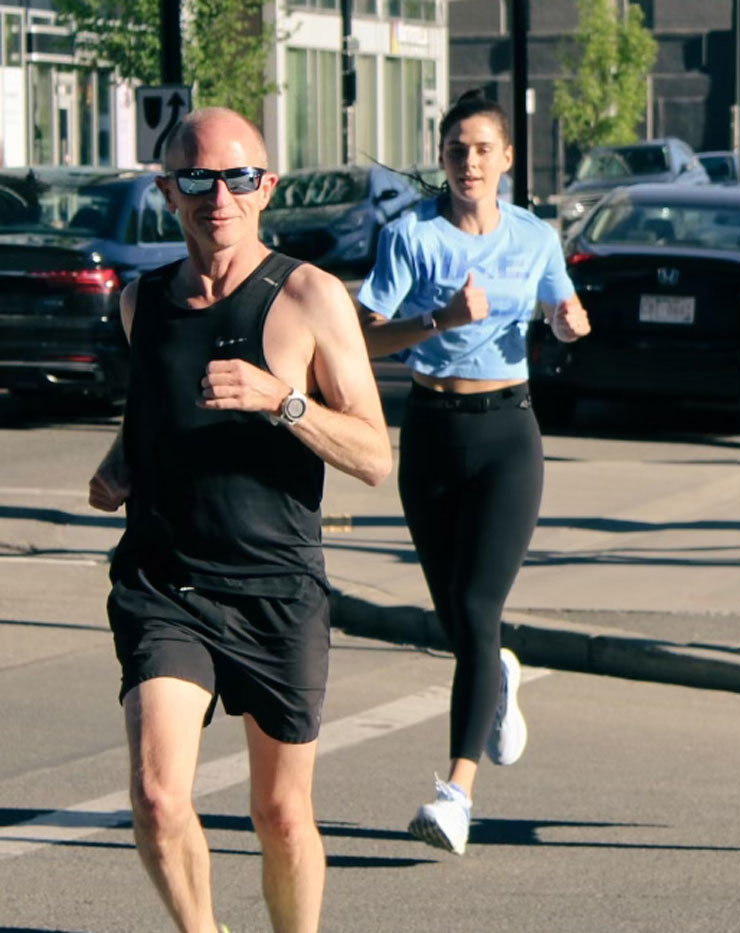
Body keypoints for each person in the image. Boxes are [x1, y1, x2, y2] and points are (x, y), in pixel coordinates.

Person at [88, 108, 393, 933]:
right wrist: (120, 464)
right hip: (166, 579)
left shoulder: (309, 297)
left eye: (237, 178)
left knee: (281, 813)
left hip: (276, 587)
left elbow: (373, 455)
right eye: (196, 178)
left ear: (268, 188)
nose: (217, 196)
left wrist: (283, 400)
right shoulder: (139, 303)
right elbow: (149, 409)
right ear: (167, 192)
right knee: (156, 793)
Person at [356, 91, 590, 856]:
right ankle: (499, 673)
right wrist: (439, 321)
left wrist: (567, 320)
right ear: (443, 158)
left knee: (475, 603)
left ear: (507, 159)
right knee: (459, 619)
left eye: (483, 149)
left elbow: (563, 305)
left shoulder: (534, 236)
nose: (468, 163)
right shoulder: (410, 237)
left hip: (507, 436)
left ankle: (455, 792)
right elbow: (366, 339)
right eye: (456, 150)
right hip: (429, 430)